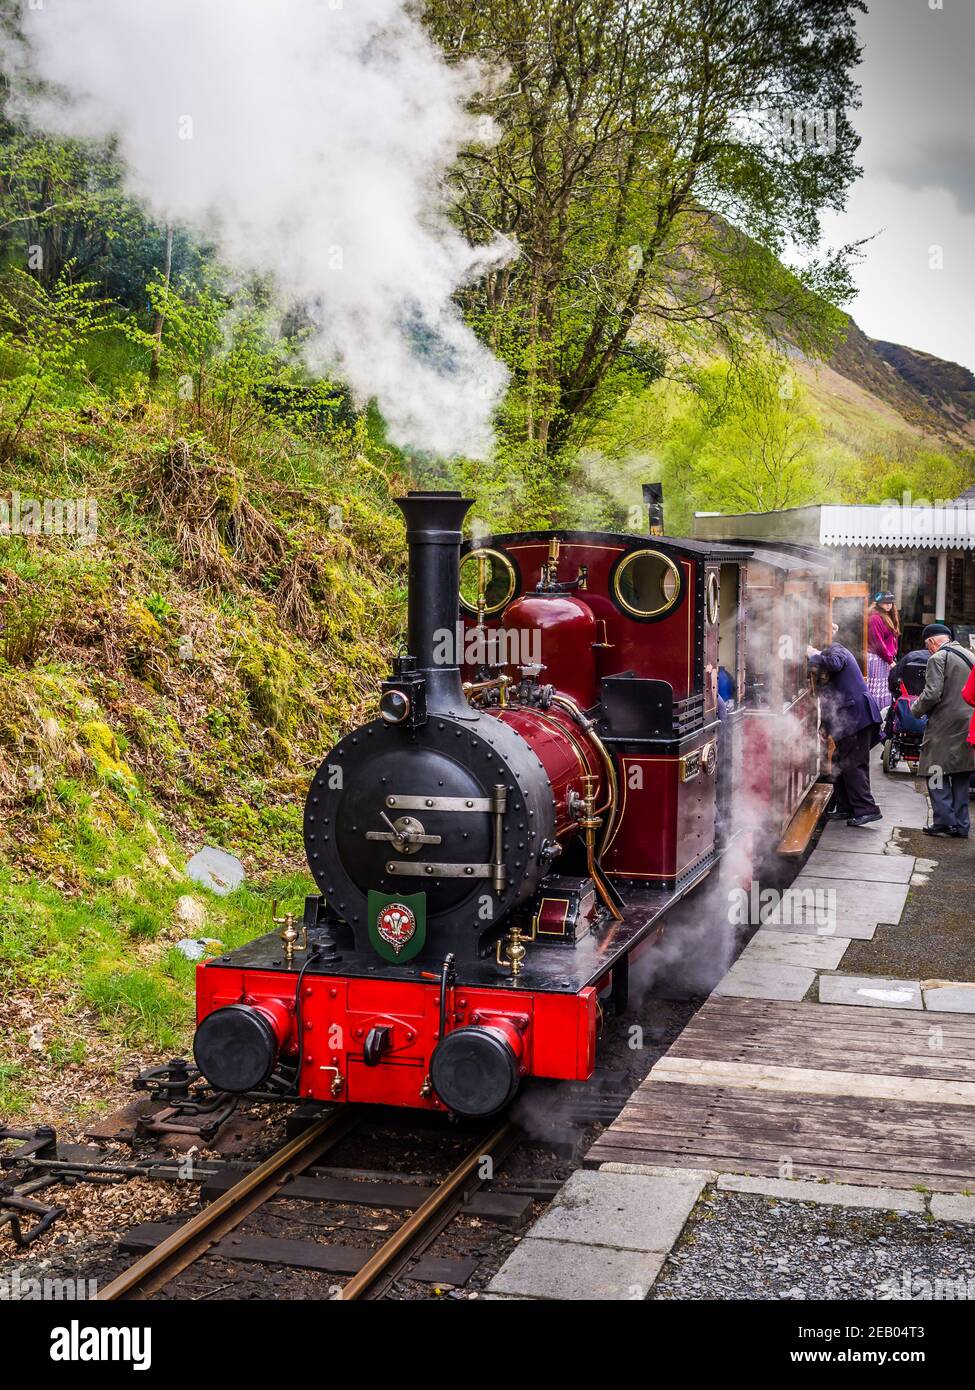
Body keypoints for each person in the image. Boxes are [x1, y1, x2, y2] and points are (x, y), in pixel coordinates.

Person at [807, 640, 883, 827]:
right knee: (840, 764)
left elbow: (834, 663)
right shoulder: (828, 661)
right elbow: (828, 700)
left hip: (856, 717)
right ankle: (845, 806)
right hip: (849, 720)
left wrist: (812, 654)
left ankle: (867, 809)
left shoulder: (836, 650)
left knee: (853, 764)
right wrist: (825, 728)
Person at [910, 623, 975, 837]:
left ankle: (944, 821)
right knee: (961, 772)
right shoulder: (970, 655)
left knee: (935, 769)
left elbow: (932, 694)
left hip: (945, 724)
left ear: (931, 642)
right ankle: (962, 825)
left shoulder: (937, 658)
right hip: (969, 723)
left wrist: (915, 710)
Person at [867, 591, 899, 709]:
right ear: (878, 603)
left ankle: (881, 716)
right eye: (885, 602)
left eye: (890, 602)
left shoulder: (886, 616)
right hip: (878, 658)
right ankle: (877, 716)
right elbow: (878, 643)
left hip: (883, 658)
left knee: (883, 690)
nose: (888, 605)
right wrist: (890, 661)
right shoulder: (875, 618)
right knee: (877, 692)